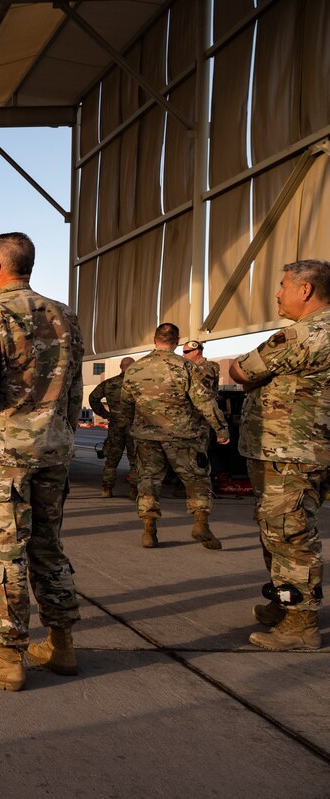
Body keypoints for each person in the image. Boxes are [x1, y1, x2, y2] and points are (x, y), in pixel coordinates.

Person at [0, 232, 83, 692]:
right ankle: (61, 644)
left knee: (2, 552)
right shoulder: (65, 316)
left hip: (5, 455)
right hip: (54, 448)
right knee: (48, 544)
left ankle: (7, 656)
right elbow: (74, 389)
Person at [229, 259, 330, 651]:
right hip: (310, 451)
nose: (278, 293)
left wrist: (252, 372)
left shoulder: (304, 335)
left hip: (289, 452)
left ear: (304, 290)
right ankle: (285, 604)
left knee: (289, 534)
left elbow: (241, 371)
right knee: (285, 528)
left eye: (283, 285)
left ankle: (301, 625)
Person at [121, 323, 230, 550]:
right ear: (177, 340)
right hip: (183, 435)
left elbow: (126, 405)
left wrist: (134, 428)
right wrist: (221, 429)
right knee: (197, 478)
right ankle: (201, 524)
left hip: (146, 436)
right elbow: (204, 402)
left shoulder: (135, 369)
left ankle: (149, 531)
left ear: (154, 339)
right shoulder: (187, 367)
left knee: (148, 480)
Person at [89, 357, 138, 498]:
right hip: (133, 426)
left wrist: (105, 414)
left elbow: (93, 398)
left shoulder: (109, 383)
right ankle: (134, 490)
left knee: (111, 460)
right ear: (133, 367)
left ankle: (107, 489)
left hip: (115, 426)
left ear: (120, 366)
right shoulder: (137, 384)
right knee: (135, 460)